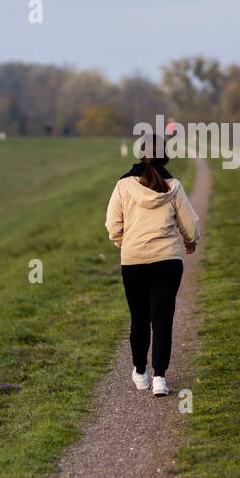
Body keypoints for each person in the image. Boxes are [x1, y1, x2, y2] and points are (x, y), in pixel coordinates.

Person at [105, 152, 201, 397]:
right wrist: (191, 241)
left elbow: (113, 225)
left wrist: (124, 243)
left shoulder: (123, 186)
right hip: (167, 261)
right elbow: (190, 224)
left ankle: (140, 372)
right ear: (165, 158)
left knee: (139, 318)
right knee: (162, 319)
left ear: (140, 156)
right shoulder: (174, 187)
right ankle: (160, 377)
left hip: (133, 262)